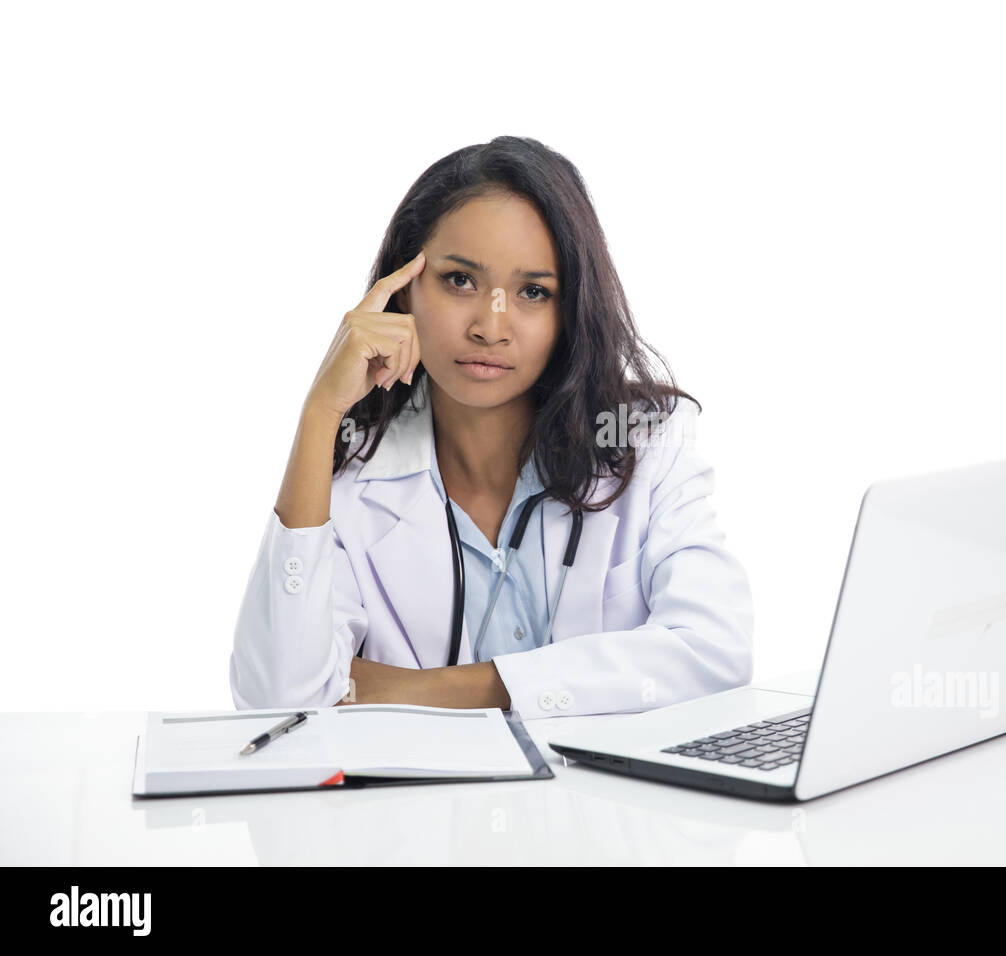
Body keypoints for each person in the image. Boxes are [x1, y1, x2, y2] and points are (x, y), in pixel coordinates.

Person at [230, 136, 754, 720]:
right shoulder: (351, 480)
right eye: (459, 280)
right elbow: (276, 703)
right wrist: (319, 416)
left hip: (608, 810)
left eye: (533, 291)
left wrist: (416, 691)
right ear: (404, 288)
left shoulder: (642, 445)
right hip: (424, 812)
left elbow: (715, 654)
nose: (490, 326)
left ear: (571, 309)